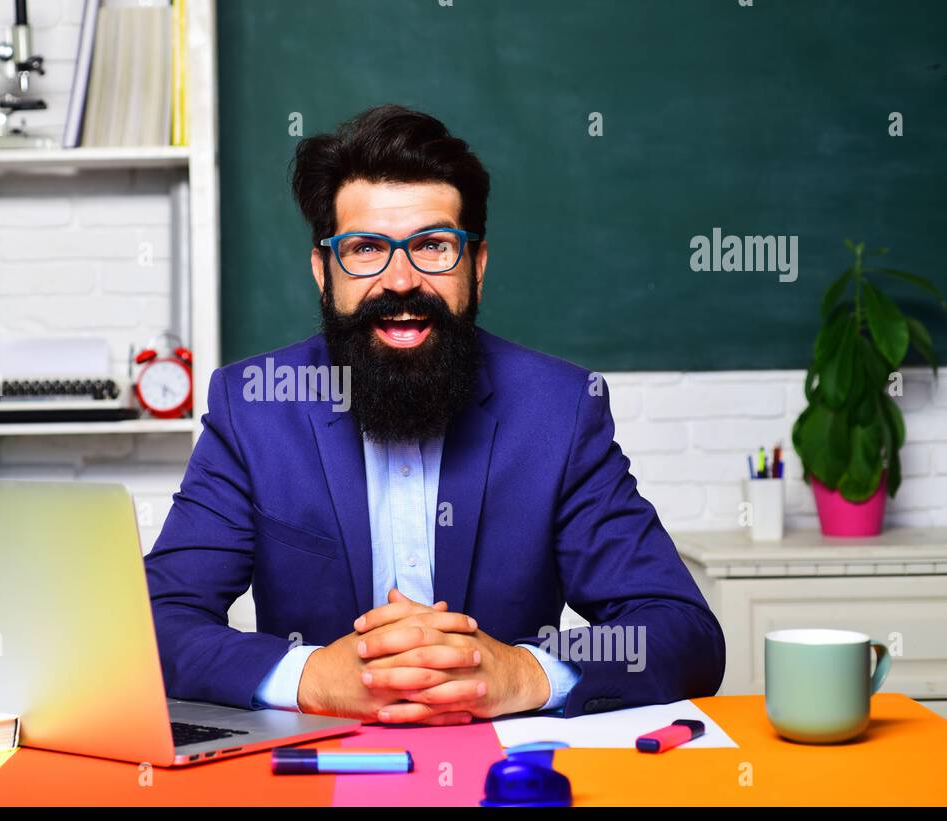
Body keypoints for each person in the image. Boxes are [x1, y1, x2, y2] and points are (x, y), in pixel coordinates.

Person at [145, 104, 725, 725]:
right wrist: (311, 675)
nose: (400, 280)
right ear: (324, 272)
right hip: (318, 765)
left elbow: (680, 631)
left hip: (505, 771)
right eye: (365, 248)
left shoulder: (558, 410)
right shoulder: (254, 406)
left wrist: (522, 672)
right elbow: (154, 622)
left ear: (476, 267)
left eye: (432, 246)